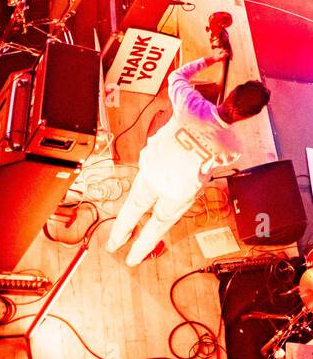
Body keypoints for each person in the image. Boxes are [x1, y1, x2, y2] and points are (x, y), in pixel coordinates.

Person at [106, 52, 270, 266]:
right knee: (160, 222)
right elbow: (215, 165)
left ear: (231, 94)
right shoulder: (233, 148)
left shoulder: (190, 103)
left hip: (153, 168)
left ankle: (113, 242)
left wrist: (210, 59)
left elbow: (176, 75)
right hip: (179, 191)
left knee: (134, 204)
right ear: (248, 116)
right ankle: (134, 258)